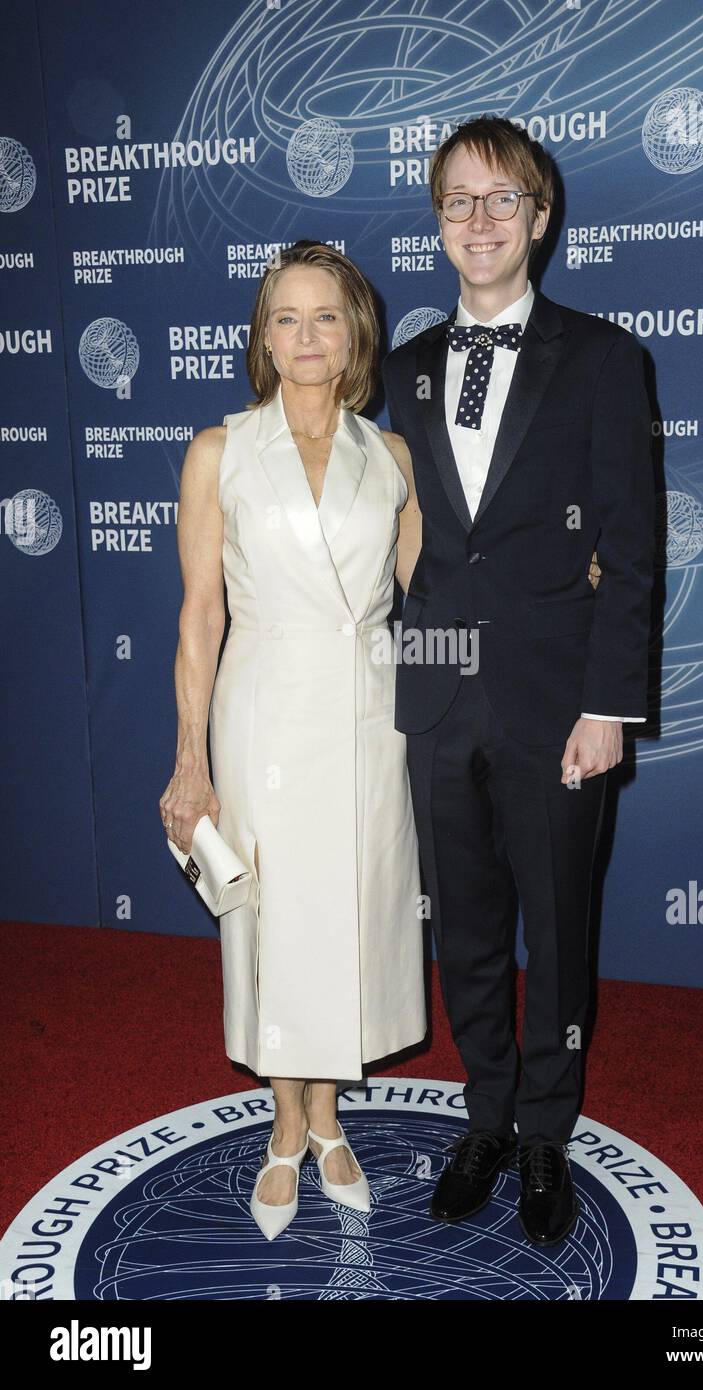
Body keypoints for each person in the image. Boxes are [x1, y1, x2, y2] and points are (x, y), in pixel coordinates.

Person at [381, 116, 655, 1246]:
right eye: (458, 201)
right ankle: (483, 1111)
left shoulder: (602, 357)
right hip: (437, 691)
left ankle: (546, 1129)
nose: (479, 221)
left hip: (558, 703)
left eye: (502, 201)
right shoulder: (398, 370)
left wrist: (607, 704)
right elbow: (392, 536)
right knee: (469, 929)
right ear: (437, 222)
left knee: (559, 925)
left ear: (539, 219)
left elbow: (632, 544)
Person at [159, 241, 427, 1240]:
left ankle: (328, 1116)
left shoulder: (389, 458)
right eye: (286, 317)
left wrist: (547, 591)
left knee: (348, 912)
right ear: (261, 336)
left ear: (354, 331)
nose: (306, 337)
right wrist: (191, 756)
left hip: (365, 712)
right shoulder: (218, 451)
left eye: (326, 317)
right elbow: (198, 616)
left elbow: (435, 597)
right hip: (262, 706)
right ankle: (284, 1124)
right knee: (272, 919)